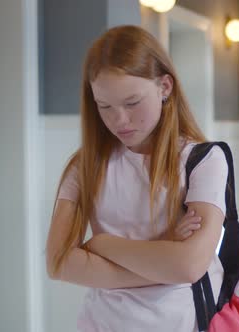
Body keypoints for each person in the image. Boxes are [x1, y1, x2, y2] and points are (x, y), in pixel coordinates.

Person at [45, 25, 229, 331]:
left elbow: (190, 264)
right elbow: (58, 263)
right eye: (104, 106)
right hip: (102, 323)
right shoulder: (84, 166)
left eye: (132, 103)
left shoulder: (205, 160)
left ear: (165, 87)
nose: (120, 120)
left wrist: (102, 244)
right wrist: (165, 256)